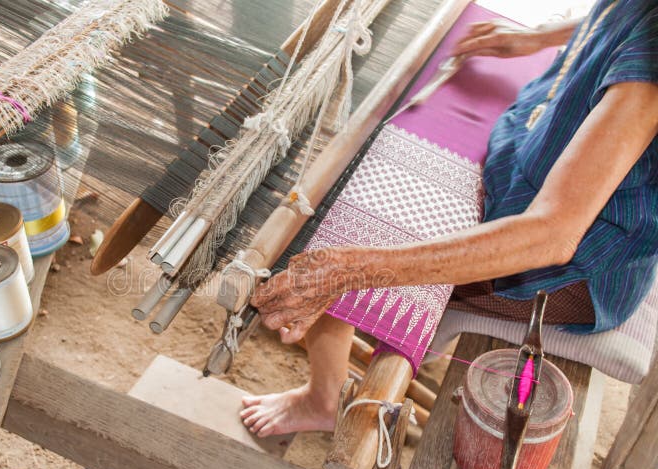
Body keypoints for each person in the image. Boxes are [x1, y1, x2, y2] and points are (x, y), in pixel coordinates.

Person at [240, 0, 658, 438]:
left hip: (572, 268)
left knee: (345, 229)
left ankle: (322, 400)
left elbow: (550, 237)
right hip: (533, 156)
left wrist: (346, 270)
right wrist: (545, 36)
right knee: (354, 215)